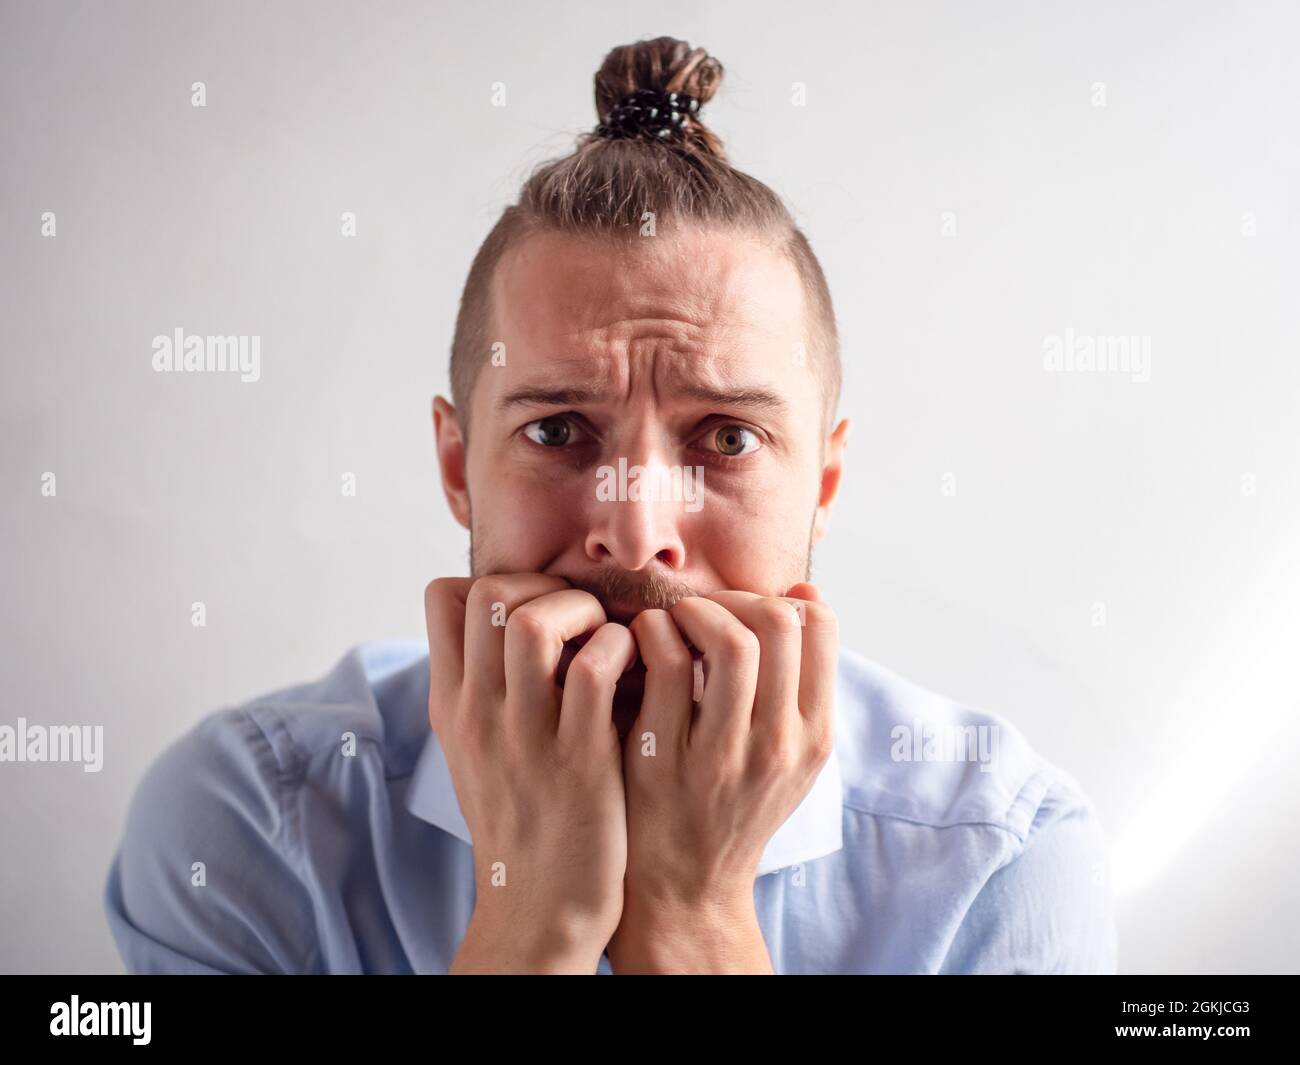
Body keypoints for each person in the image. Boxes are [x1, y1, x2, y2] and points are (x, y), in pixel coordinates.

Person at [103, 36, 1117, 974]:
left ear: (821, 487)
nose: (634, 532)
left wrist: (692, 918)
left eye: (726, 437)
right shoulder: (242, 824)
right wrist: (529, 926)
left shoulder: (1003, 863)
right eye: (556, 431)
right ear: (457, 468)